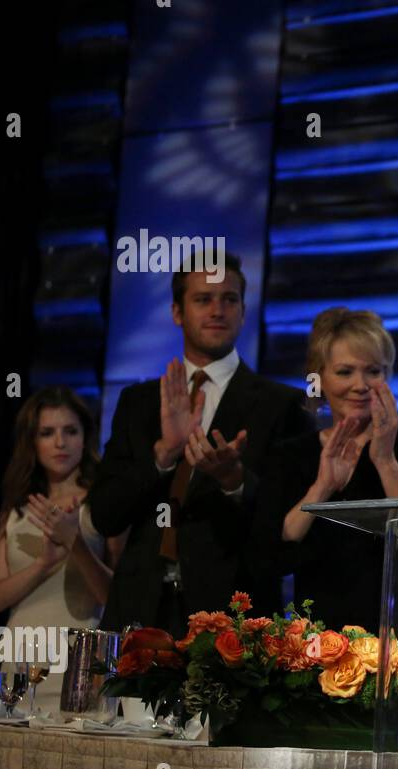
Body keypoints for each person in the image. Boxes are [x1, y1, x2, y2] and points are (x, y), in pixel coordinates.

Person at [89, 252, 310, 637]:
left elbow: (285, 529)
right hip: (140, 611)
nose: (217, 310)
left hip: (233, 619)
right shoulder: (139, 403)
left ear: (243, 311)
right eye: (203, 299)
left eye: (229, 299)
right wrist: (162, 455)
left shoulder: (282, 404)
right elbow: (105, 515)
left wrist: (235, 482)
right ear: (177, 312)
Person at [251, 308, 398, 632]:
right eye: (345, 372)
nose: (360, 385)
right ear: (318, 377)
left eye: (373, 371)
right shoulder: (291, 455)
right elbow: (273, 555)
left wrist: (385, 460)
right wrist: (322, 487)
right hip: (316, 641)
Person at [0, 387, 123, 713]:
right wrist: (44, 563)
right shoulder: (17, 507)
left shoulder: (103, 504)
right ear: (32, 442)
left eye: (70, 431)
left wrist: (75, 542)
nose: (60, 442)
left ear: (85, 437)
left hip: (80, 665)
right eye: (47, 433)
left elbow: (113, 596)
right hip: (17, 664)